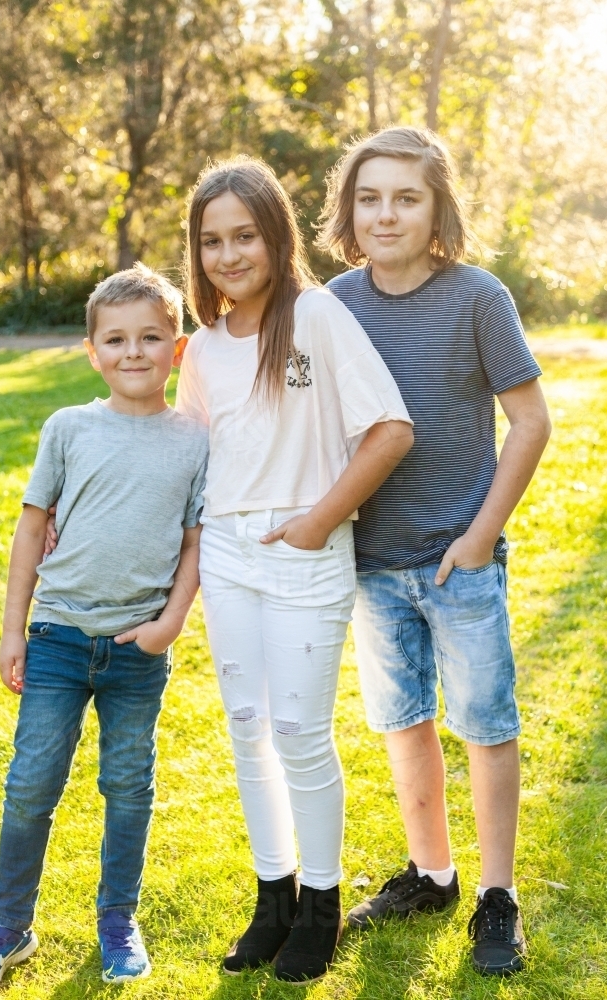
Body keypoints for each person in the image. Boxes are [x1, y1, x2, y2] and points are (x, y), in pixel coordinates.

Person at [318, 126, 551, 976]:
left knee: (485, 724)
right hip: (372, 562)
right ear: (348, 210)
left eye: (405, 197)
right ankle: (431, 874)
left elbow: (530, 421)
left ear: (435, 207)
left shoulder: (477, 297)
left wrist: (480, 535)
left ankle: (497, 896)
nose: (386, 214)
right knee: (402, 720)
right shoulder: (334, 302)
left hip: (461, 560)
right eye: (368, 198)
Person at [175, 156, 413, 983]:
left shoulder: (314, 315)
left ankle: (320, 904)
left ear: (275, 236)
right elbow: (188, 458)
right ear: (196, 253)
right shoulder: (202, 349)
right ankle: (272, 898)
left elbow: (389, 428)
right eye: (212, 241)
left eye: (244, 235)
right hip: (230, 556)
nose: (229, 255)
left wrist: (315, 522)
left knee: (299, 733)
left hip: (304, 552)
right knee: (248, 727)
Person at [0, 264, 208, 997]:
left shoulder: (193, 441)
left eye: (150, 337)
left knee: (128, 785)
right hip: (59, 639)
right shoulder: (68, 428)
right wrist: (12, 632)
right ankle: (9, 928)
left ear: (176, 349)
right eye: (116, 339)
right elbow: (32, 530)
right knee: (31, 784)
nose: (134, 352)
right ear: (91, 351)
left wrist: (169, 622)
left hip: (136, 648)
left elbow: (196, 541)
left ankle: (117, 919)